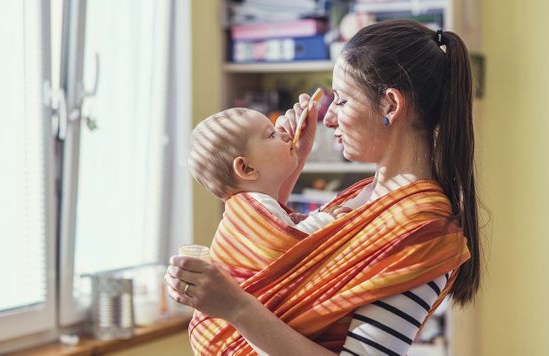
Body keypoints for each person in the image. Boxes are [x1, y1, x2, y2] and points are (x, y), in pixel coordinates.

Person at [166, 19, 481, 356]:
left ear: (390, 105)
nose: (327, 117)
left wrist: (235, 308)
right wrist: (291, 166)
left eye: (342, 101)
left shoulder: (422, 230)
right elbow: (285, 265)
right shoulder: (368, 193)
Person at [188, 107, 350, 236]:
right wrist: (327, 219)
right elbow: (289, 241)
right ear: (247, 168)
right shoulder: (257, 207)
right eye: (272, 134)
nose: (285, 134)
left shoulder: (249, 207)